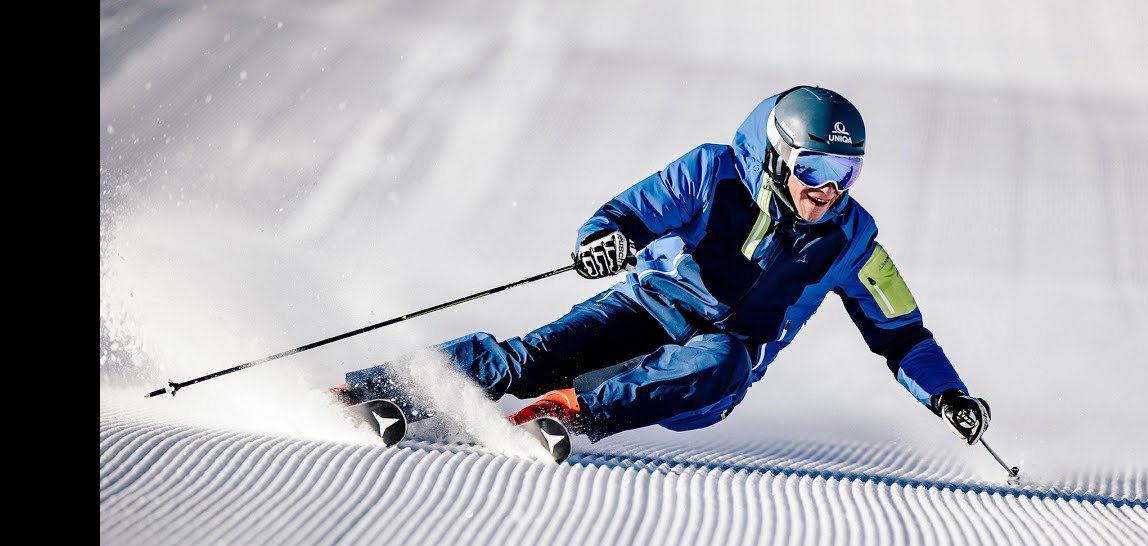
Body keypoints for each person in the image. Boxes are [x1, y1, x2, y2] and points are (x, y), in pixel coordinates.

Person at [333, 85, 991, 448]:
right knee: (528, 359)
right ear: (777, 156)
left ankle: (563, 415)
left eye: (846, 172)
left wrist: (948, 395)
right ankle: (363, 393)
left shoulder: (853, 238)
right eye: (814, 167)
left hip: (713, 362)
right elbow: (627, 215)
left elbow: (901, 332)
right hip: (644, 307)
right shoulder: (712, 171)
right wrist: (605, 242)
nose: (828, 189)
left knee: (724, 361)